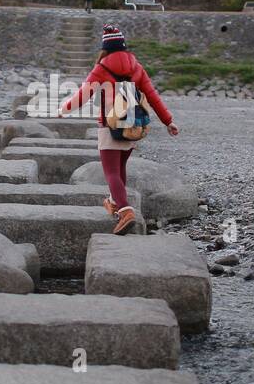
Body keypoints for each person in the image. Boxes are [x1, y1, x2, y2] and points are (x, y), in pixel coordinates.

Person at [57, 23, 178, 235]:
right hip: (132, 126)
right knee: (120, 168)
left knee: (111, 172)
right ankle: (114, 202)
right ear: (123, 46)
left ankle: (125, 211)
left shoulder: (101, 68)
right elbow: (152, 96)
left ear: (105, 48)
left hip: (109, 126)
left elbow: (82, 96)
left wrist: (63, 110)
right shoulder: (136, 67)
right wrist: (168, 121)